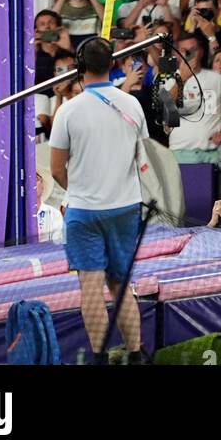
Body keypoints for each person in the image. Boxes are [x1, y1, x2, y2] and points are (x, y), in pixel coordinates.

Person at [49, 37, 149, 364]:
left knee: (90, 289)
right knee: (122, 287)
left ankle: (99, 359)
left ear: (79, 68)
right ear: (114, 65)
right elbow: (142, 158)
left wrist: (78, 189)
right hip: (124, 208)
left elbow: (56, 169)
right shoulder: (132, 104)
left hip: (84, 211)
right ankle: (136, 355)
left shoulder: (68, 110)